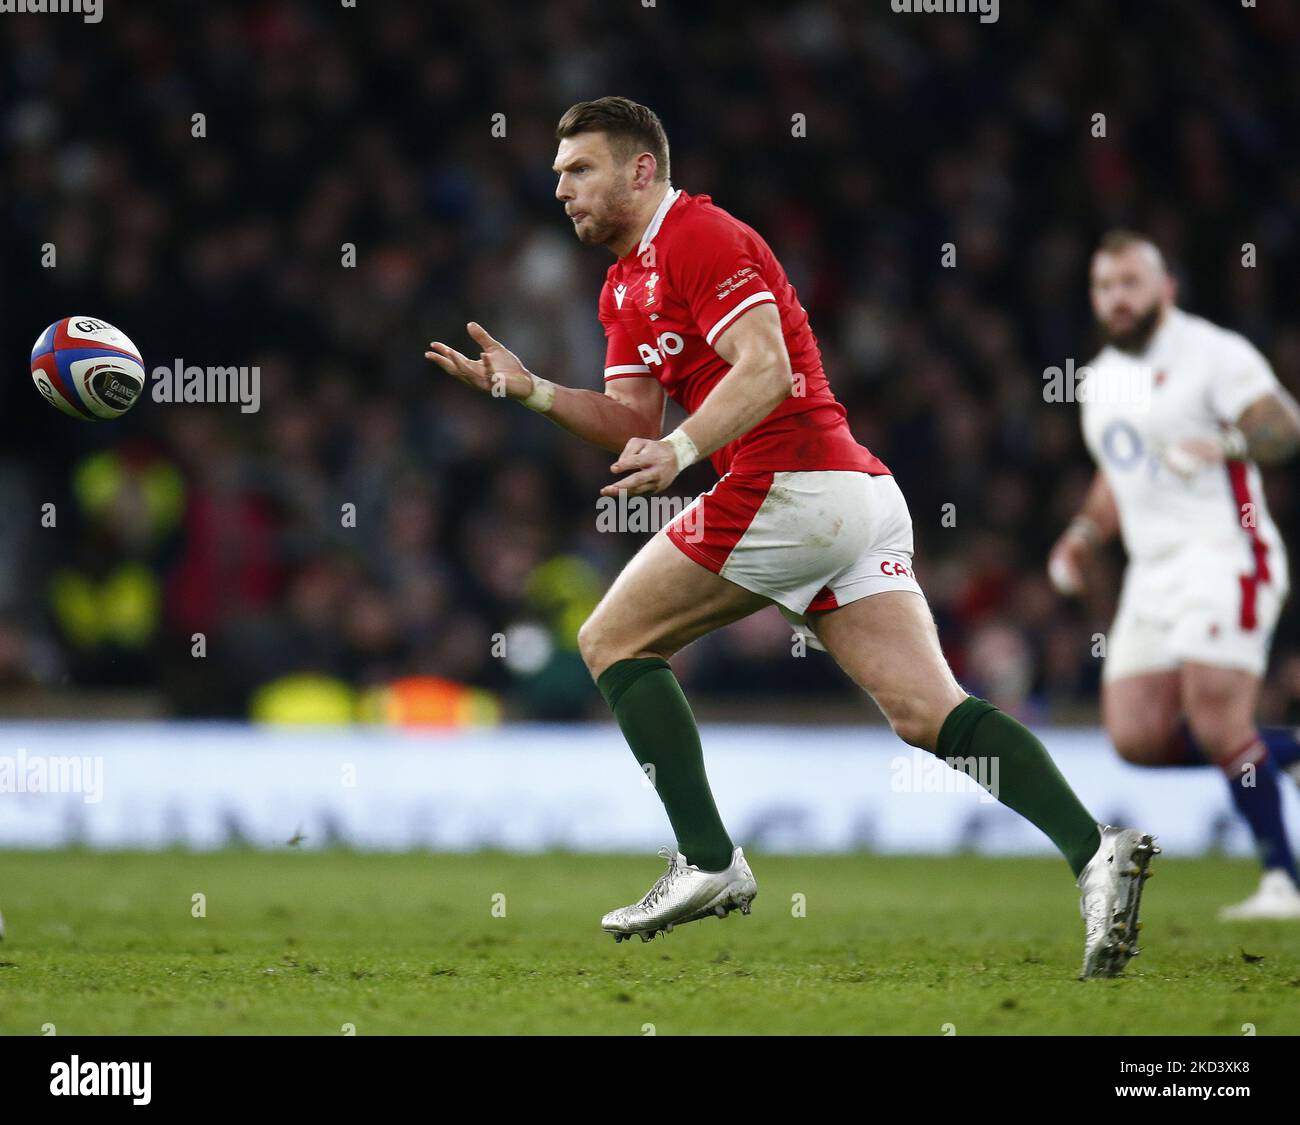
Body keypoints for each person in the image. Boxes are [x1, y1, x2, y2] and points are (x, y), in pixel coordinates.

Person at [428, 97, 1157, 977]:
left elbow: (766, 369)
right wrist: (534, 391)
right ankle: (1095, 850)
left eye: (579, 170)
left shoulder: (701, 235)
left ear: (641, 170)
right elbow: (628, 416)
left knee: (611, 637)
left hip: (790, 481)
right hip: (848, 494)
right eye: (557, 175)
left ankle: (707, 859)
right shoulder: (623, 282)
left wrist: (684, 448)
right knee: (927, 712)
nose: (562, 189)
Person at [1049, 230, 1300, 920]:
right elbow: (1116, 473)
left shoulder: (1213, 353)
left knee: (1217, 716)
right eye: (1105, 286)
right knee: (1136, 735)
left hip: (1227, 552)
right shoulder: (1098, 378)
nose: (1118, 298)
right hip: (1153, 573)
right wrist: (1083, 533)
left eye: (1131, 282)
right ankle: (1282, 752)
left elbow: (1286, 426)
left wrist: (1225, 441)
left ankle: (1285, 880)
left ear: (1167, 288)